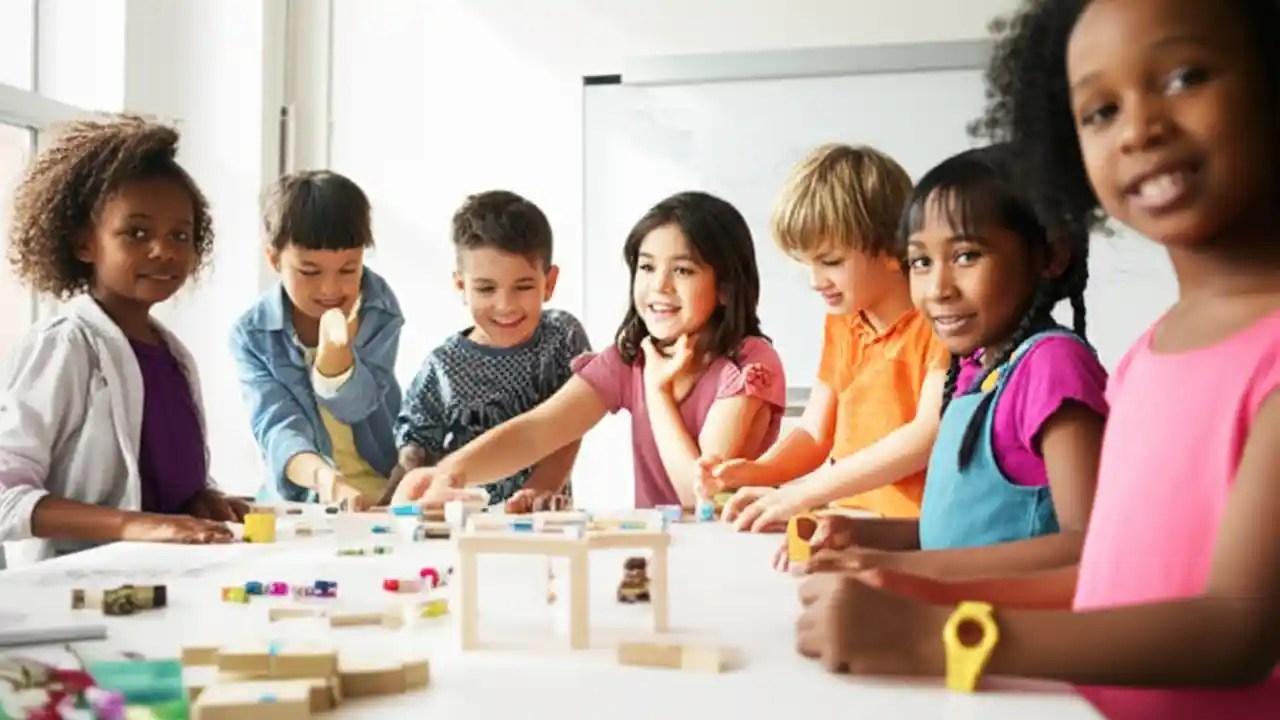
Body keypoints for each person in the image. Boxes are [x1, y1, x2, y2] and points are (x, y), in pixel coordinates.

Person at [795, 1, 1280, 715]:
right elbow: (1098, 573)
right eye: (1100, 110)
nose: (1139, 128)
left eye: (1185, 76)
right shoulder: (1149, 354)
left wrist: (944, 635)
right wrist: (908, 581)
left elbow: (1235, 632)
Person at [780, 145, 1106, 583]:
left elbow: (1088, 548)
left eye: (967, 255)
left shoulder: (1054, 365)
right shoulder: (972, 371)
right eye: (920, 262)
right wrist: (862, 534)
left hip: (1009, 637)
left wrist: (902, 567)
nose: (938, 288)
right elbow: (957, 538)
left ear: (1050, 255)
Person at [391, 191, 786, 509]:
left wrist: (656, 391)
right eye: (647, 268)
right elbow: (537, 431)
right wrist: (449, 472)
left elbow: (699, 498)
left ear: (725, 287)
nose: (659, 286)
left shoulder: (749, 364)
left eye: (682, 270)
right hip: (657, 556)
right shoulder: (629, 359)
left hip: (726, 558)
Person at [0, 115, 243, 566]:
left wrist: (199, 500)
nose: (164, 250)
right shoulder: (64, 346)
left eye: (180, 235)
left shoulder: (173, 356)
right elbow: (5, 497)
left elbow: (154, 486)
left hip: (164, 585)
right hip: (73, 600)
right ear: (83, 244)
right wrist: (137, 525)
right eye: (136, 232)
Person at [709, 144, 948, 530]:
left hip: (911, 532)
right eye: (808, 263)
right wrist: (757, 471)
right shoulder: (843, 322)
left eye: (831, 262)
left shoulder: (941, 325)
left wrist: (803, 492)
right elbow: (815, 431)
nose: (815, 281)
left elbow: (922, 440)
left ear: (892, 249)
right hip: (846, 520)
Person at [391, 190, 590, 510]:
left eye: (523, 287)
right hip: (462, 524)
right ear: (461, 287)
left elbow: (569, 426)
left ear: (549, 282)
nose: (505, 306)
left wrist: (536, 493)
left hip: (543, 524)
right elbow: (414, 451)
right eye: (485, 288)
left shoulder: (561, 338)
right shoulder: (443, 365)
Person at [230, 171, 403, 509]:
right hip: (308, 497)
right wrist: (328, 482)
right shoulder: (252, 334)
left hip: (389, 490)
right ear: (274, 259)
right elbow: (278, 429)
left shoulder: (376, 306)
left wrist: (335, 357)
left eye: (348, 269)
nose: (330, 289)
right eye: (309, 272)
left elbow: (357, 404)